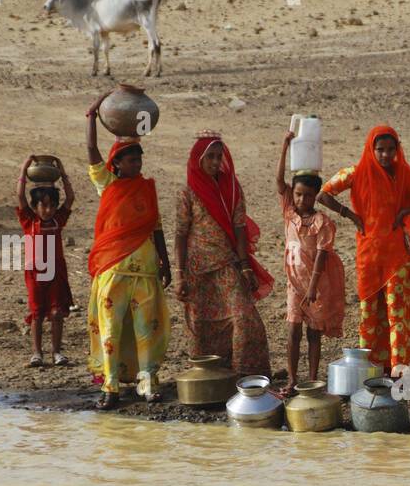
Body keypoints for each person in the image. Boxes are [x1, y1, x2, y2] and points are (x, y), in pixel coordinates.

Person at [319, 125, 410, 372]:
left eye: (390, 149)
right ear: (371, 149)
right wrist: (351, 216)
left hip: (396, 256)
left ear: (397, 149)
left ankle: (398, 368)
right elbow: (323, 195)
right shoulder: (355, 173)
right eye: (380, 150)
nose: (386, 155)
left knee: (397, 312)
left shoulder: (403, 174)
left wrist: (407, 211)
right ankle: (370, 368)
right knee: (369, 314)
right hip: (368, 257)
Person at [84, 93, 172, 410]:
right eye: (132, 160)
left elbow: (157, 226)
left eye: (139, 159)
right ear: (117, 163)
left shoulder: (147, 188)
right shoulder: (107, 184)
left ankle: (147, 382)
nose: (137, 164)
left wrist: (166, 261)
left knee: (144, 330)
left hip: (146, 271)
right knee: (111, 330)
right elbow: (92, 151)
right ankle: (111, 386)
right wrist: (92, 118)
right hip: (113, 271)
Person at [174, 130, 274, 379]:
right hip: (197, 270)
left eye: (219, 157)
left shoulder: (231, 189)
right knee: (202, 326)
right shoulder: (187, 193)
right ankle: (209, 380)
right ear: (198, 159)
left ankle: (245, 375)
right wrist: (179, 274)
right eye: (211, 157)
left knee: (243, 317)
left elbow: (239, 228)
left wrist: (246, 267)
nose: (216, 163)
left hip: (227, 264)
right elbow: (180, 235)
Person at [277, 130, 345, 394]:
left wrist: (313, 287)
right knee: (293, 330)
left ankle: (313, 379)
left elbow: (320, 257)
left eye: (306, 195)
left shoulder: (323, 224)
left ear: (315, 196)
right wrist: (284, 146)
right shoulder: (289, 213)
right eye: (297, 194)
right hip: (294, 284)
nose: (301, 200)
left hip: (316, 285)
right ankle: (293, 380)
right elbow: (278, 181)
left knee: (313, 333)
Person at [16, 156, 74, 367]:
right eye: (44, 206)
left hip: (56, 270)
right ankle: (37, 353)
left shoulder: (59, 220)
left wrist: (63, 172)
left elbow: (70, 198)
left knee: (57, 312)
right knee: (37, 313)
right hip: (35, 272)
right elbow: (20, 196)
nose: (48, 210)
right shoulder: (29, 221)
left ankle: (57, 352)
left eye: (51, 206)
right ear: (35, 206)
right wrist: (24, 170)